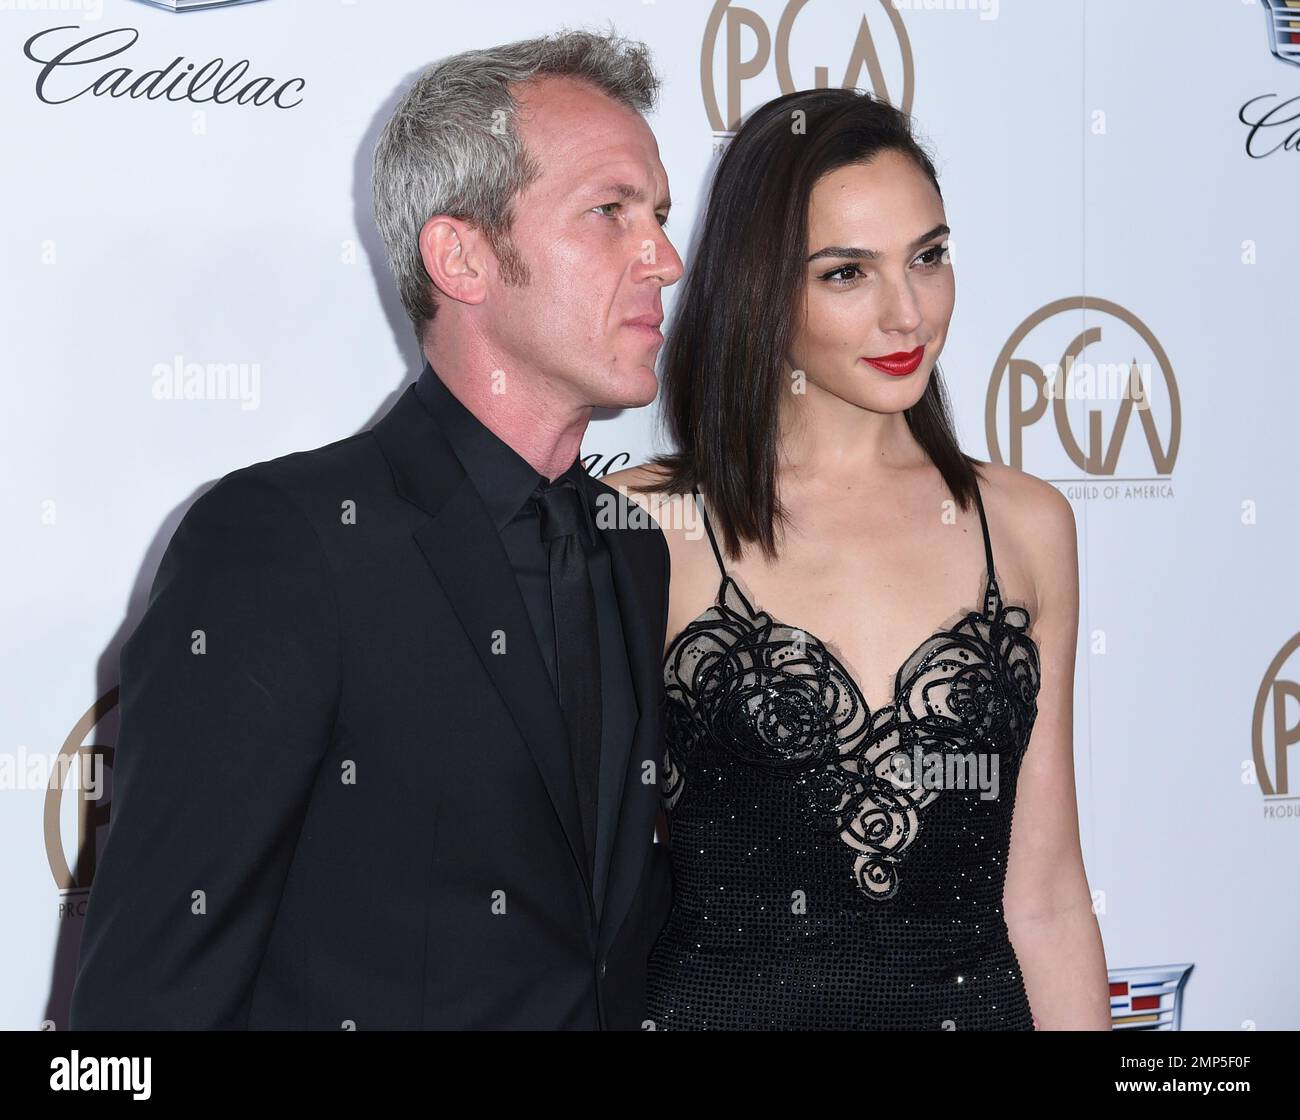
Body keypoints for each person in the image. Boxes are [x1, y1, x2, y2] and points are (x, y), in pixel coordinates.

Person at [70, 28, 682, 1031]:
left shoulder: (631, 546)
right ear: (462, 255)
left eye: (658, 215)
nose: (663, 256)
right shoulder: (277, 544)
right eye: (609, 212)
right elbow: (144, 1009)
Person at [606, 87, 1110, 1030]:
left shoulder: (1027, 524)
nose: (907, 313)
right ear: (761, 285)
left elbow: (1043, 897)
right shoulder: (644, 524)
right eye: (847, 273)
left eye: (929, 257)